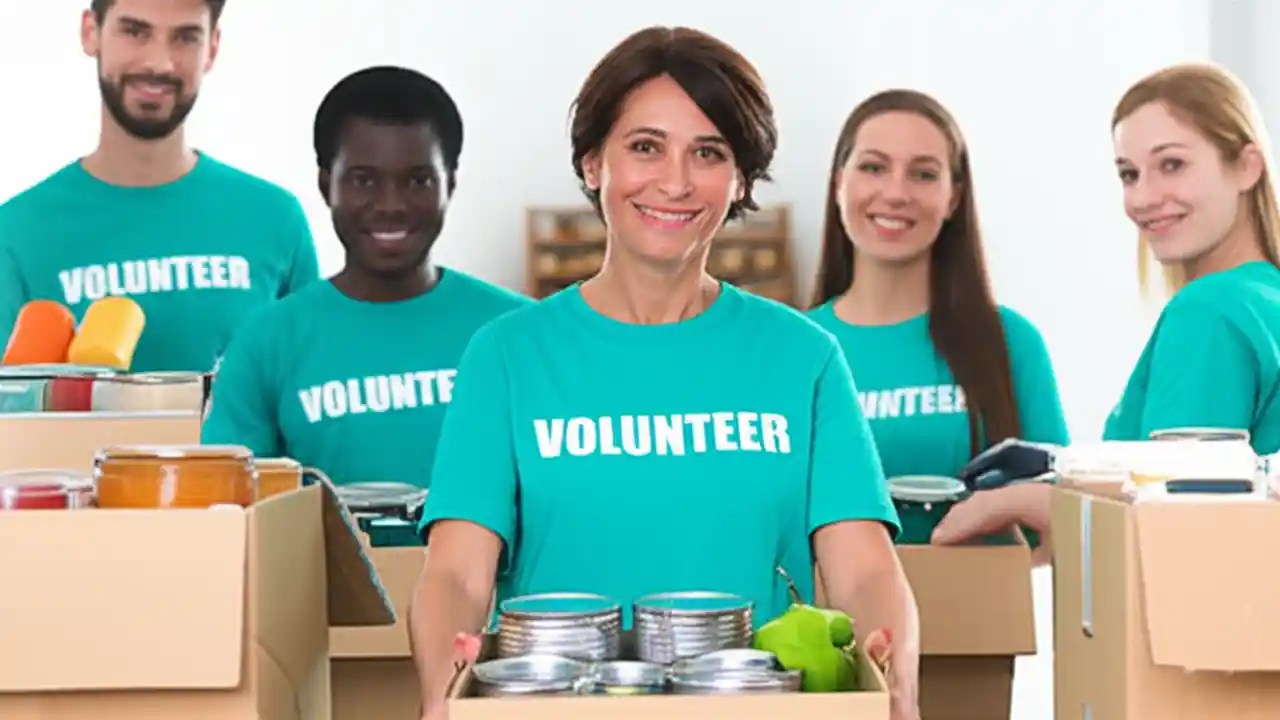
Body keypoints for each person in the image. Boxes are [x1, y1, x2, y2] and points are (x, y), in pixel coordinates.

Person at [408, 26, 920, 720]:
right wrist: (442, 692)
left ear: (739, 178)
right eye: (645, 147)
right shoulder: (506, 356)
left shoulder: (806, 358)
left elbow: (864, 570)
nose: (675, 182)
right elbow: (457, 573)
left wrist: (896, 689)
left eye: (708, 153)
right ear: (594, 164)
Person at [934, 62, 1280, 547]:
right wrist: (1064, 469)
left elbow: (1176, 529)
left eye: (1172, 165)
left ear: (1246, 166)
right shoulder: (1266, 301)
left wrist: (1016, 502)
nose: (1144, 196)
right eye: (1128, 174)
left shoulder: (1210, 311)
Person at [200, 66, 530, 488]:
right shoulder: (265, 343)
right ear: (326, 185)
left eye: (418, 180)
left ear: (449, 183)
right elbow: (228, 510)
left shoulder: (518, 332)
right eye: (363, 180)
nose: (391, 204)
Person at [806, 89, 1068, 546]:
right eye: (873, 167)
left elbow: (1065, 516)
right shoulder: (795, 346)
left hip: (984, 614)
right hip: (845, 617)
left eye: (924, 174)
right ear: (837, 183)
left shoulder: (1011, 342)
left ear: (953, 198)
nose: (896, 192)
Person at [0, 0, 319, 373]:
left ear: (212, 48)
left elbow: (310, 406)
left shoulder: (274, 220)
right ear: (91, 32)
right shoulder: (17, 233)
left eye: (185, 37)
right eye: (135, 32)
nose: (159, 63)